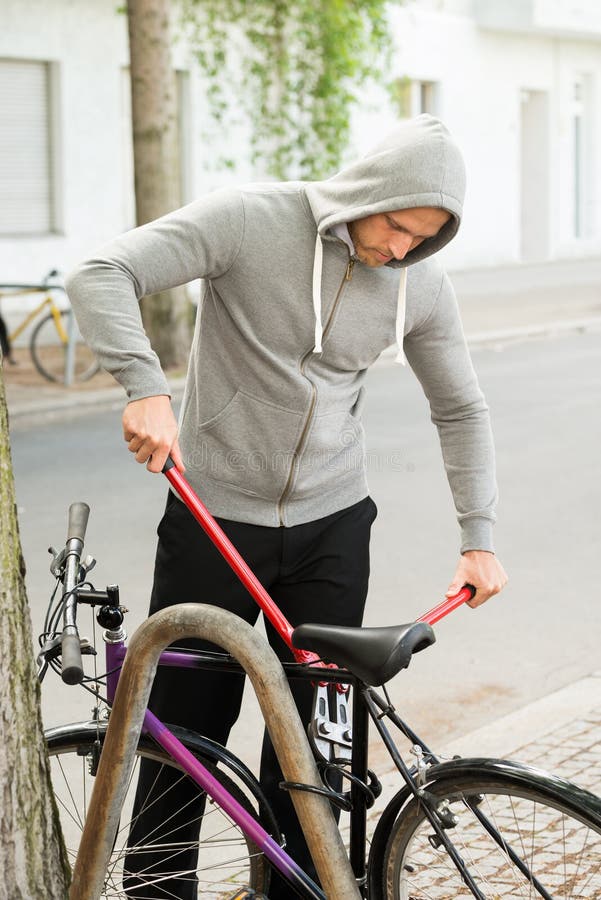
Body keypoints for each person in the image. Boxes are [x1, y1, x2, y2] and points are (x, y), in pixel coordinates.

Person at [66, 113, 508, 898]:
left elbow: (461, 408)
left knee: (315, 755)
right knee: (185, 735)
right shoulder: (249, 220)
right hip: (212, 521)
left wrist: (479, 537)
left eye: (424, 237)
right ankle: (158, 890)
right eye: (398, 224)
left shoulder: (419, 283)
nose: (400, 247)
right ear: (368, 192)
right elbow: (102, 271)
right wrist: (145, 387)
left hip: (333, 529)